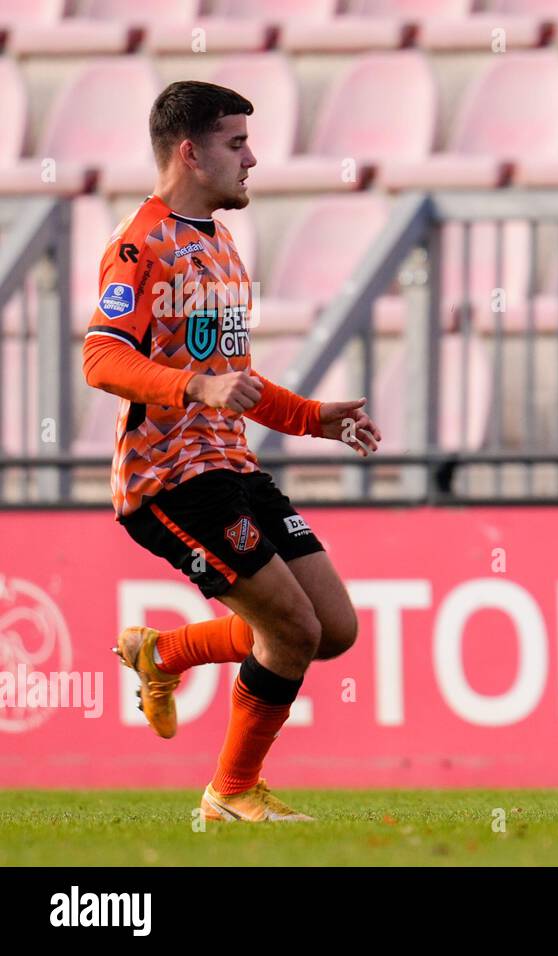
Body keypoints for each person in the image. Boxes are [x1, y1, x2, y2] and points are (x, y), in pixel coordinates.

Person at [83, 81, 381, 822]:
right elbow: (100, 357)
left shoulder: (219, 243)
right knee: (293, 632)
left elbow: (234, 377)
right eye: (237, 142)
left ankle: (165, 654)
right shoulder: (138, 245)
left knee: (332, 630)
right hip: (170, 481)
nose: (253, 158)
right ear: (191, 151)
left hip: (233, 467)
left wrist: (313, 418)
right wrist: (195, 389)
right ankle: (231, 794)